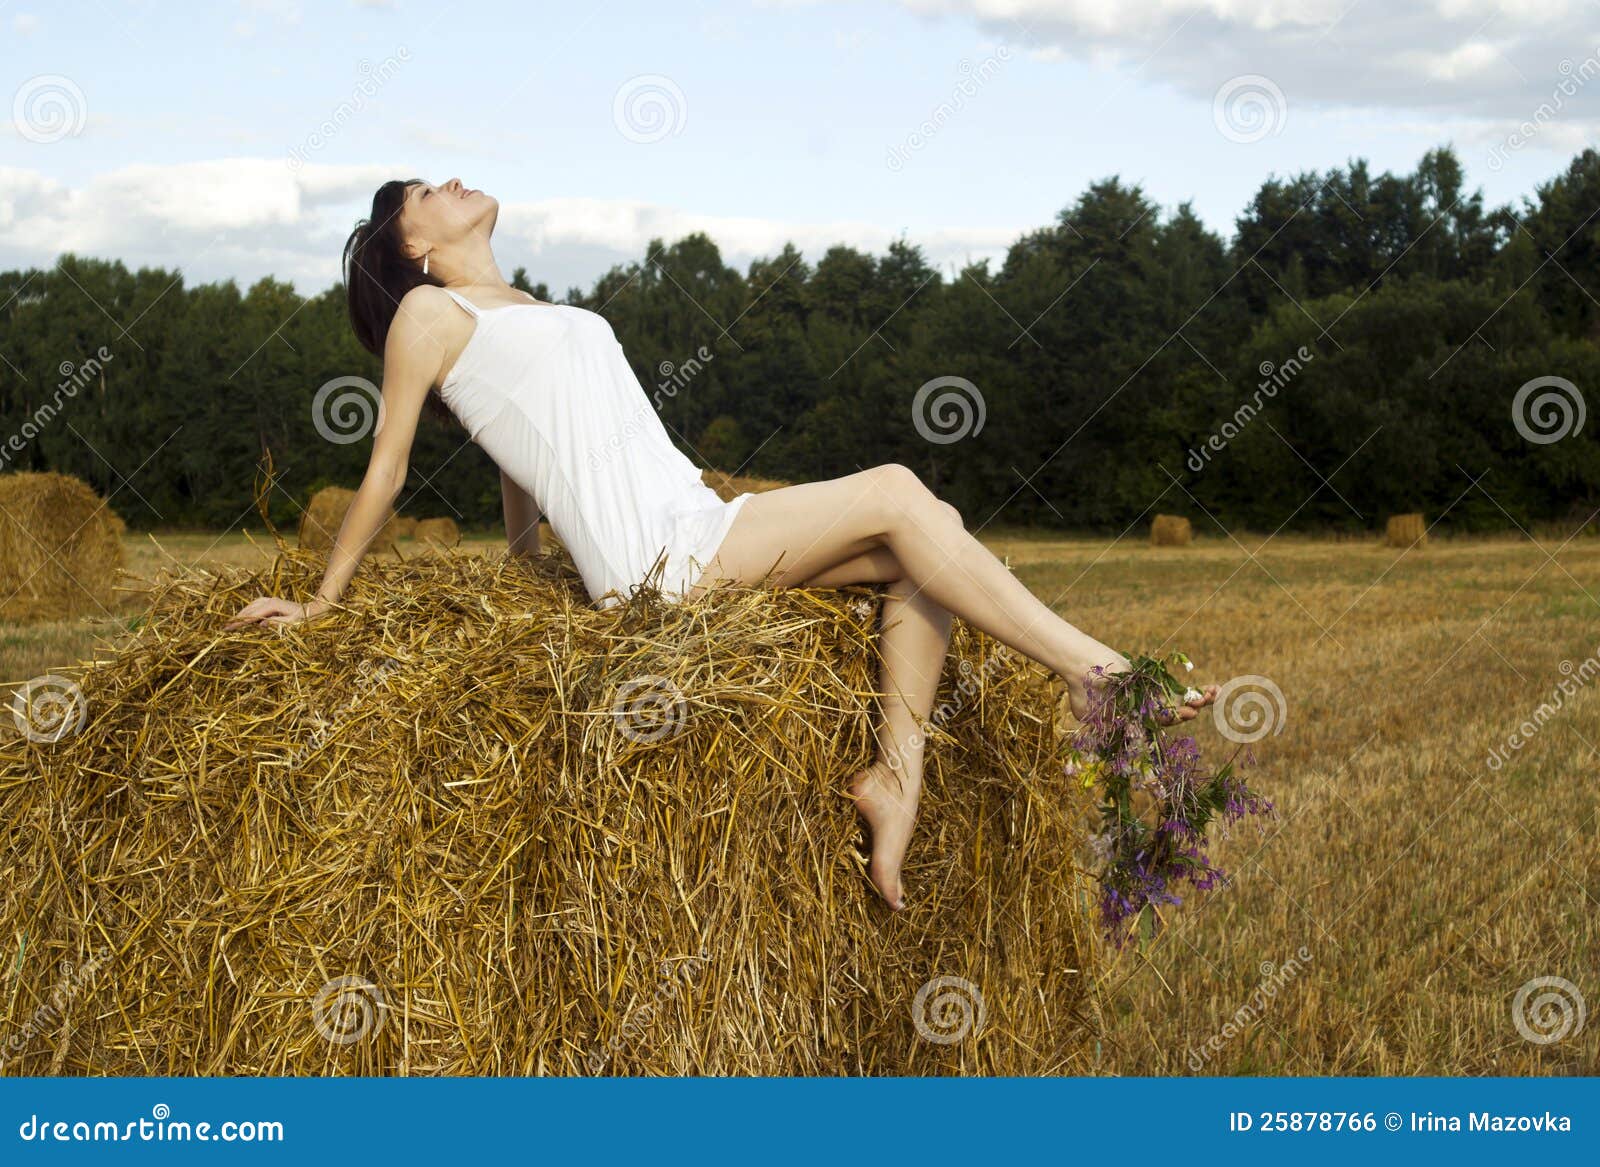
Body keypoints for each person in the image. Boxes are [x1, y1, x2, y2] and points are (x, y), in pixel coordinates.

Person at [228, 177, 1219, 911]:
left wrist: (523, 561)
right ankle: (1104, 679)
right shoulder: (424, 318)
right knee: (898, 492)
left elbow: (521, 446)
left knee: (928, 547)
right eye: (419, 195)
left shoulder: (522, 311)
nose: (445, 183)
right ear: (414, 252)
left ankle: (896, 780)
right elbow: (387, 469)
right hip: (656, 558)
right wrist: (324, 604)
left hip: (688, 523)